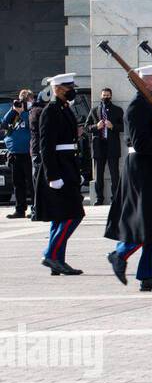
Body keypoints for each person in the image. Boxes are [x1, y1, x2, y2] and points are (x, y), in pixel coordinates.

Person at [106, 63, 152, 292]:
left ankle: (147, 275)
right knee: (149, 221)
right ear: (147, 80)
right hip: (141, 169)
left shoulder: (151, 104)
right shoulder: (138, 107)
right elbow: (141, 143)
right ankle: (121, 253)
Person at [34, 74, 84, 276]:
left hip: (67, 165)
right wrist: (52, 175)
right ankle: (51, 255)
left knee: (61, 216)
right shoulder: (51, 111)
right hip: (59, 169)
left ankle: (58, 260)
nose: (72, 89)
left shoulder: (64, 109)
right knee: (74, 214)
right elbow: (45, 146)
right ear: (57, 89)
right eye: (68, 87)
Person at [85, 86, 124, 205]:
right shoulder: (94, 110)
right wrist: (96, 127)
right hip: (98, 145)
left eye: (107, 95)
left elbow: (124, 127)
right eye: (104, 95)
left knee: (114, 174)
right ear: (100, 96)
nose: (105, 97)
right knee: (98, 175)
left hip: (112, 146)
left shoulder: (117, 110)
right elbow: (87, 128)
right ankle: (99, 198)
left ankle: (115, 198)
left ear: (111, 96)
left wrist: (113, 126)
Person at [3, 89, 34, 218]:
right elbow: (4, 123)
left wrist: (23, 112)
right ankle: (20, 210)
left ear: (31, 100)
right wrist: (14, 110)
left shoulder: (32, 112)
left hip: (28, 153)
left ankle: (35, 209)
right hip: (15, 153)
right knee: (18, 183)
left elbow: (32, 125)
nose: (23, 102)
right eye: (22, 99)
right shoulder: (14, 113)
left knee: (32, 183)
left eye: (26, 100)